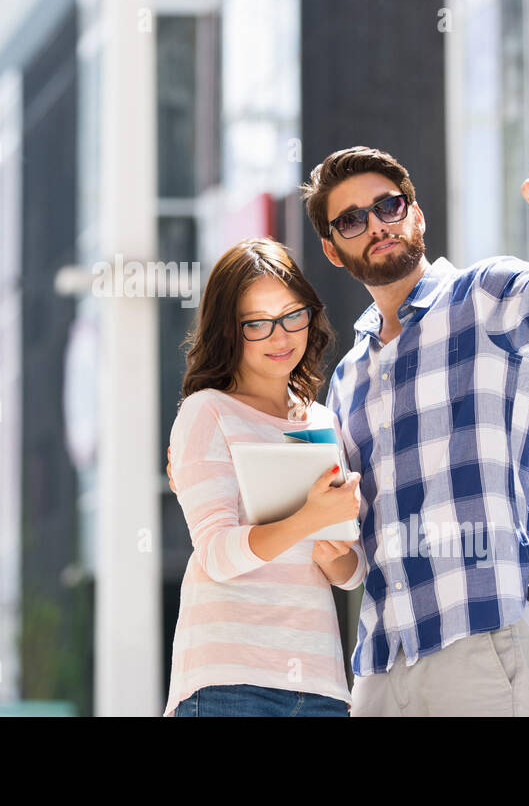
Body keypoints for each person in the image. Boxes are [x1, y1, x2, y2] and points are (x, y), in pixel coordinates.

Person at [299, 136, 529, 715]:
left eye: (388, 206)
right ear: (332, 248)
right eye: (351, 220)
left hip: (480, 631)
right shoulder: (347, 380)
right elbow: (352, 559)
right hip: (381, 661)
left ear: (414, 214)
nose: (376, 224)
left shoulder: (483, 299)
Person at [164, 237, 363, 717]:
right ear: (229, 331)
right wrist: (307, 518)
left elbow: (351, 573)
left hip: (320, 686)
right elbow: (215, 555)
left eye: (293, 315)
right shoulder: (207, 412)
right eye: (258, 324)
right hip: (229, 680)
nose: (281, 337)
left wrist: (334, 550)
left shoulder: (321, 421)